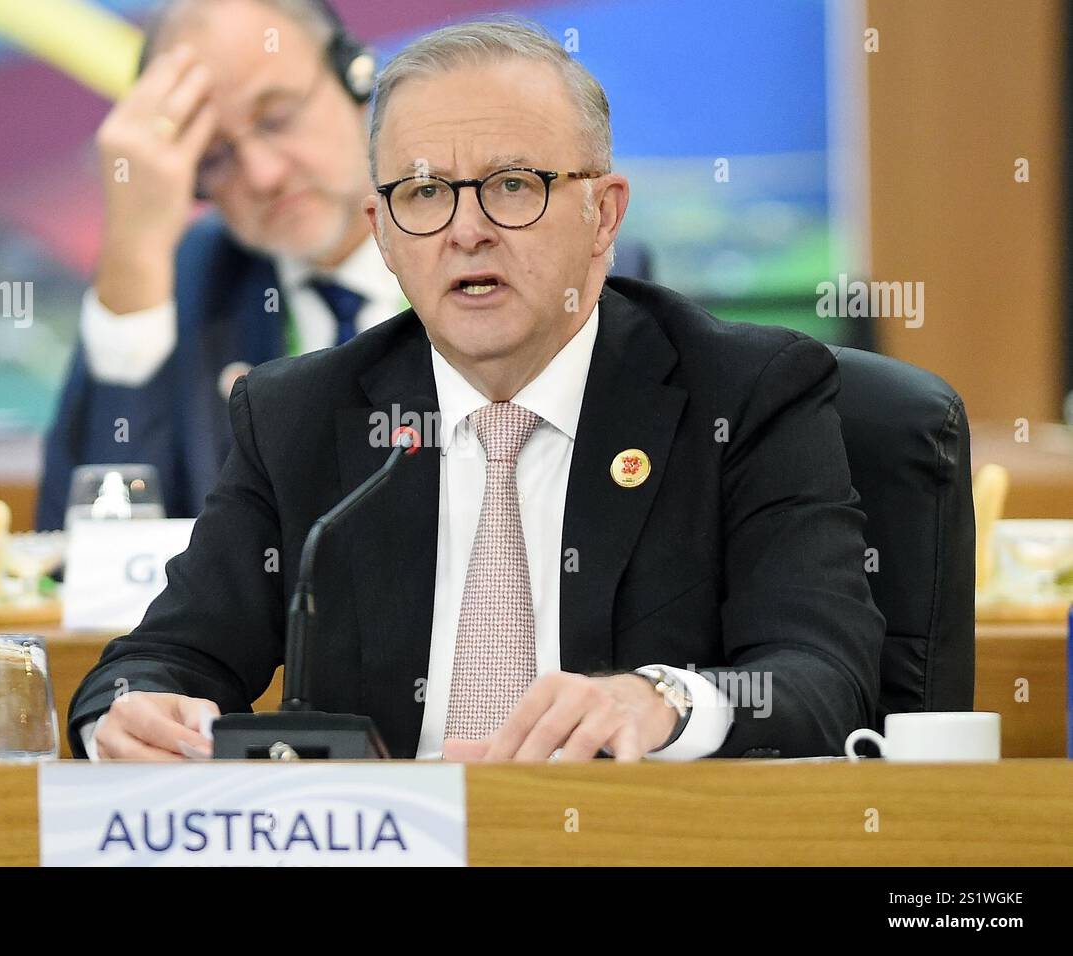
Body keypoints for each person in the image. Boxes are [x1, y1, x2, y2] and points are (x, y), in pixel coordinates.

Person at [68, 18, 884, 762]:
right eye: (424, 194)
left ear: (604, 216)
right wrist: (128, 714)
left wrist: (660, 700)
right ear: (383, 234)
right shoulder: (297, 417)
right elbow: (166, 658)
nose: (466, 230)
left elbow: (822, 675)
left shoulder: (744, 397)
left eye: (514, 184)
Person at [36, 0, 654, 529]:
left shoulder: (553, 257)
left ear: (357, 80)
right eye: (215, 155)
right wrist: (134, 258)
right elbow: (88, 558)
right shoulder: (190, 280)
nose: (263, 174)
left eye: (276, 118)